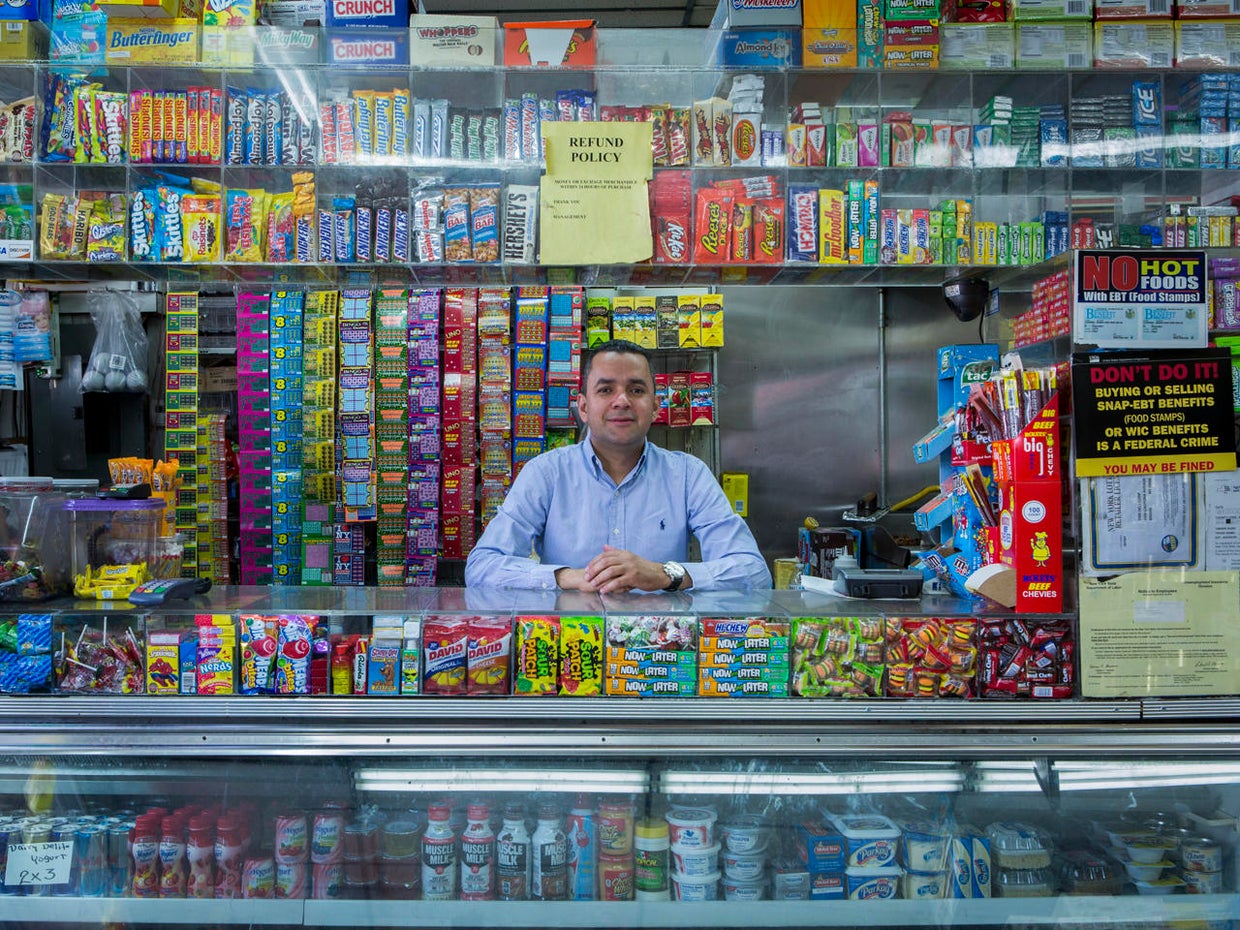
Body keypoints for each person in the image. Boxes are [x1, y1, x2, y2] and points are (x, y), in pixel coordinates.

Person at [465, 339, 771, 593]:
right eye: (605, 390)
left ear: (655, 406)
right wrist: (569, 577)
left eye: (636, 390)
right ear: (583, 407)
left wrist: (666, 575)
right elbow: (482, 567)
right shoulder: (546, 473)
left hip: (660, 651)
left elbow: (754, 572)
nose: (622, 401)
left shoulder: (689, 475)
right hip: (572, 649)